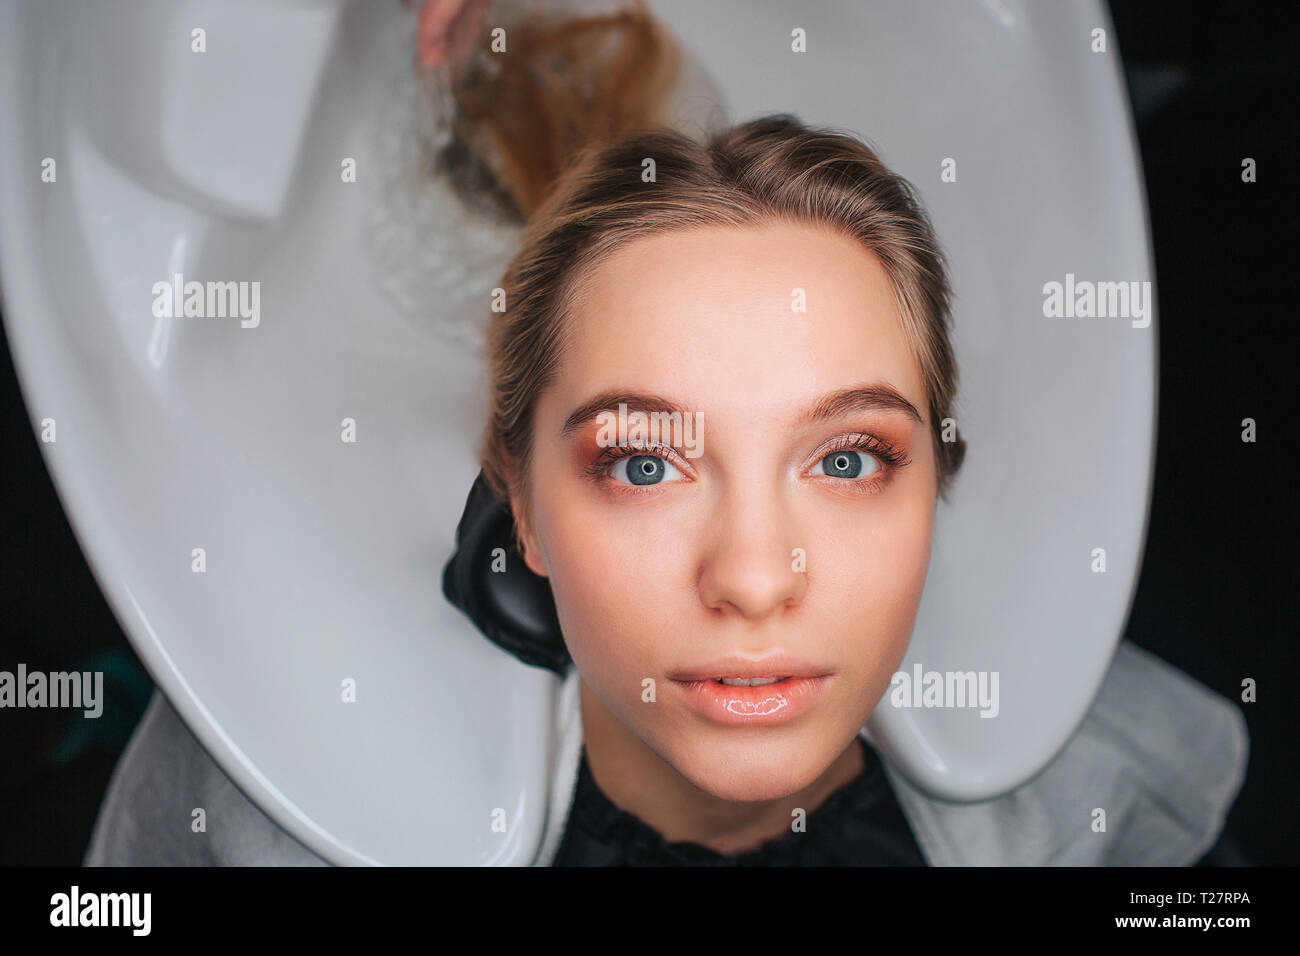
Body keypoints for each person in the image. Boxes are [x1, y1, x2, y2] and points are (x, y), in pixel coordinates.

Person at [83, 0, 1248, 867]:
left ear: (936, 477)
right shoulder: (271, 792)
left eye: (847, 459)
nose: (751, 578)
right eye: (642, 461)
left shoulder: (1098, 786)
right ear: (520, 505)